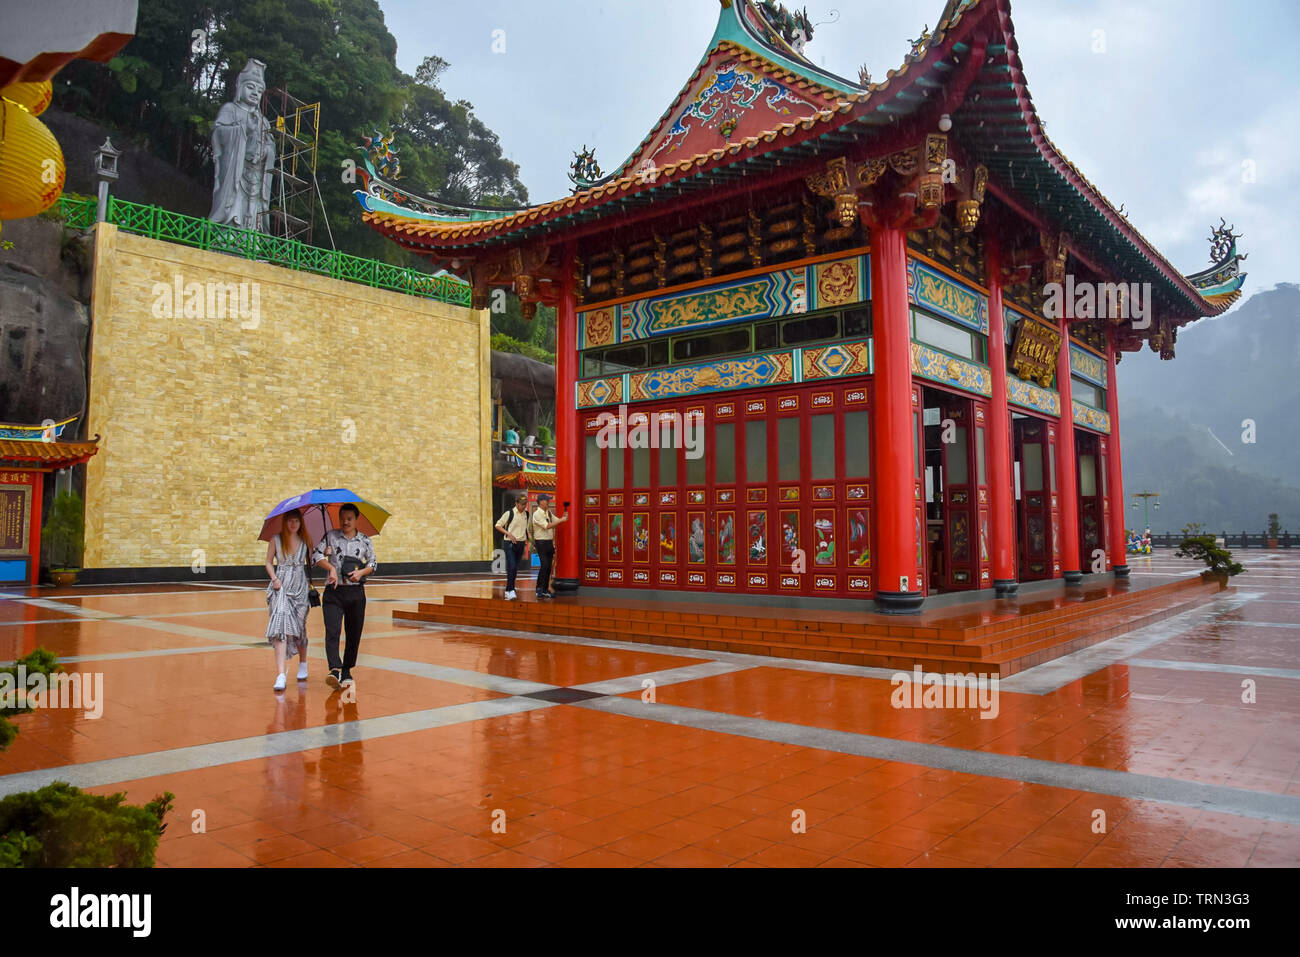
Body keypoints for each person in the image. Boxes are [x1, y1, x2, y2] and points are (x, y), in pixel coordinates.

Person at [312, 503, 377, 690]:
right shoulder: (330, 536)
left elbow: (373, 562)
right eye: (342, 518)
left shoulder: (364, 540)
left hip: (356, 593)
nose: (345, 522)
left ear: (356, 519)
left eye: (349, 518)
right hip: (334, 591)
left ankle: (347, 670)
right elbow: (316, 556)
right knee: (332, 631)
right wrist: (329, 565)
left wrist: (361, 573)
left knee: (353, 633)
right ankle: (334, 668)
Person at [265, 509, 312, 691]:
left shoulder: (306, 541)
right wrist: (274, 579)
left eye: (296, 521)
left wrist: (327, 551)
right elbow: (268, 561)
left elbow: (314, 561)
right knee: (280, 629)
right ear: (285, 522)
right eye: (290, 521)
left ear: (301, 523)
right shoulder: (276, 540)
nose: (293, 524)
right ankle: (281, 674)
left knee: (299, 629)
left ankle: (303, 662)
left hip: (300, 589)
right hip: (281, 587)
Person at [531, 493, 569, 599]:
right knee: (544, 565)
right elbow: (547, 526)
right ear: (541, 502)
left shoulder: (548, 513)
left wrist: (564, 517)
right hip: (541, 542)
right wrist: (561, 520)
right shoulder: (537, 514)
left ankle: (545, 589)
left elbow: (556, 521)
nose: (549, 502)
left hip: (548, 542)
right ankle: (539, 588)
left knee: (548, 567)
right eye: (547, 500)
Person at [494, 493, 531, 601]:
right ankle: (510, 590)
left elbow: (526, 529)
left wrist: (528, 542)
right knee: (512, 566)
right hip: (509, 543)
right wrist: (508, 533)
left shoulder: (526, 515)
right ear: (516, 503)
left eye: (525, 504)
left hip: (520, 543)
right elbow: (498, 525)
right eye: (521, 504)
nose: (523, 506)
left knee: (514, 569)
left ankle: (509, 590)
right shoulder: (509, 513)